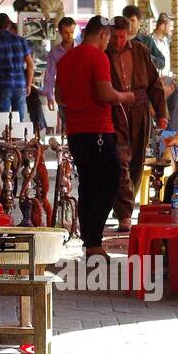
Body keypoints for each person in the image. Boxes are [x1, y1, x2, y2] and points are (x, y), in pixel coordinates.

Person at [54, 16, 134, 258]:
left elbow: (60, 97)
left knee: (88, 185)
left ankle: (91, 244)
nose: (108, 42)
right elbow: (104, 93)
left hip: (76, 132)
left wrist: (78, 103)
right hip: (98, 130)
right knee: (109, 183)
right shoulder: (98, 57)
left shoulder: (66, 59)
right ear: (102, 35)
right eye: (108, 37)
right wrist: (124, 97)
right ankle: (94, 241)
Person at [106, 16, 168, 230]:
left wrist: (161, 113)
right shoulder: (103, 54)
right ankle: (124, 212)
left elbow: (155, 84)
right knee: (120, 158)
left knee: (137, 160)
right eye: (114, 37)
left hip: (140, 111)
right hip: (114, 112)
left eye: (122, 37)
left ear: (128, 34)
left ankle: (126, 202)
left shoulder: (140, 51)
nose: (117, 41)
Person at [0, 13, 35, 121]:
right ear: (9, 25)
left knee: (3, 121)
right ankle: (19, 137)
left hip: (3, 86)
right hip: (20, 85)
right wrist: (29, 85)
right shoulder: (21, 41)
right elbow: (31, 65)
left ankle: (5, 137)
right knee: (19, 121)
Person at [42, 16, 78, 116]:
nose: (70, 35)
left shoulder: (81, 49)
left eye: (72, 32)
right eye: (66, 32)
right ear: (60, 32)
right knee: (67, 126)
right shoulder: (54, 52)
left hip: (80, 94)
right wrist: (50, 96)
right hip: (62, 95)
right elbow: (49, 75)